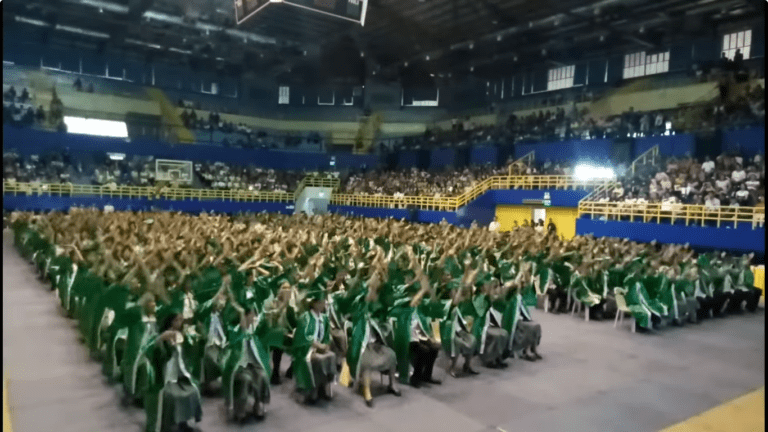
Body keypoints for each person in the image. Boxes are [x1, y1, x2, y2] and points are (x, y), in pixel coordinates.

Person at [144, 309, 203, 432]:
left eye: (181, 320)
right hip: (166, 377)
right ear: (170, 321)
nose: (179, 322)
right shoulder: (163, 336)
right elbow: (149, 350)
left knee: (192, 391)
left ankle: (183, 422)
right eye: (176, 320)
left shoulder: (183, 335)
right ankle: (166, 425)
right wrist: (161, 339)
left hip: (181, 374)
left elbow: (189, 354)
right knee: (172, 396)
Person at [221, 305, 271, 422]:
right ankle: (240, 408)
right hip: (238, 366)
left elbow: (264, 337)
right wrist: (241, 331)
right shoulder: (233, 329)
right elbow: (231, 347)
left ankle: (259, 403)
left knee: (262, 375)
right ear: (244, 316)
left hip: (253, 364)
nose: (254, 317)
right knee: (246, 378)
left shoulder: (253, 330)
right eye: (251, 314)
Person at [292, 290, 336, 404]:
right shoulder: (304, 318)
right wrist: (318, 346)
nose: (323, 305)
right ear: (314, 304)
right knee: (319, 359)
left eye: (324, 302)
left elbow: (327, 335)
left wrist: (326, 345)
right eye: (321, 302)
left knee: (332, 356)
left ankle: (325, 385)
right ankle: (314, 388)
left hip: (319, 348)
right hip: (306, 350)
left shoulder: (325, 318)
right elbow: (304, 337)